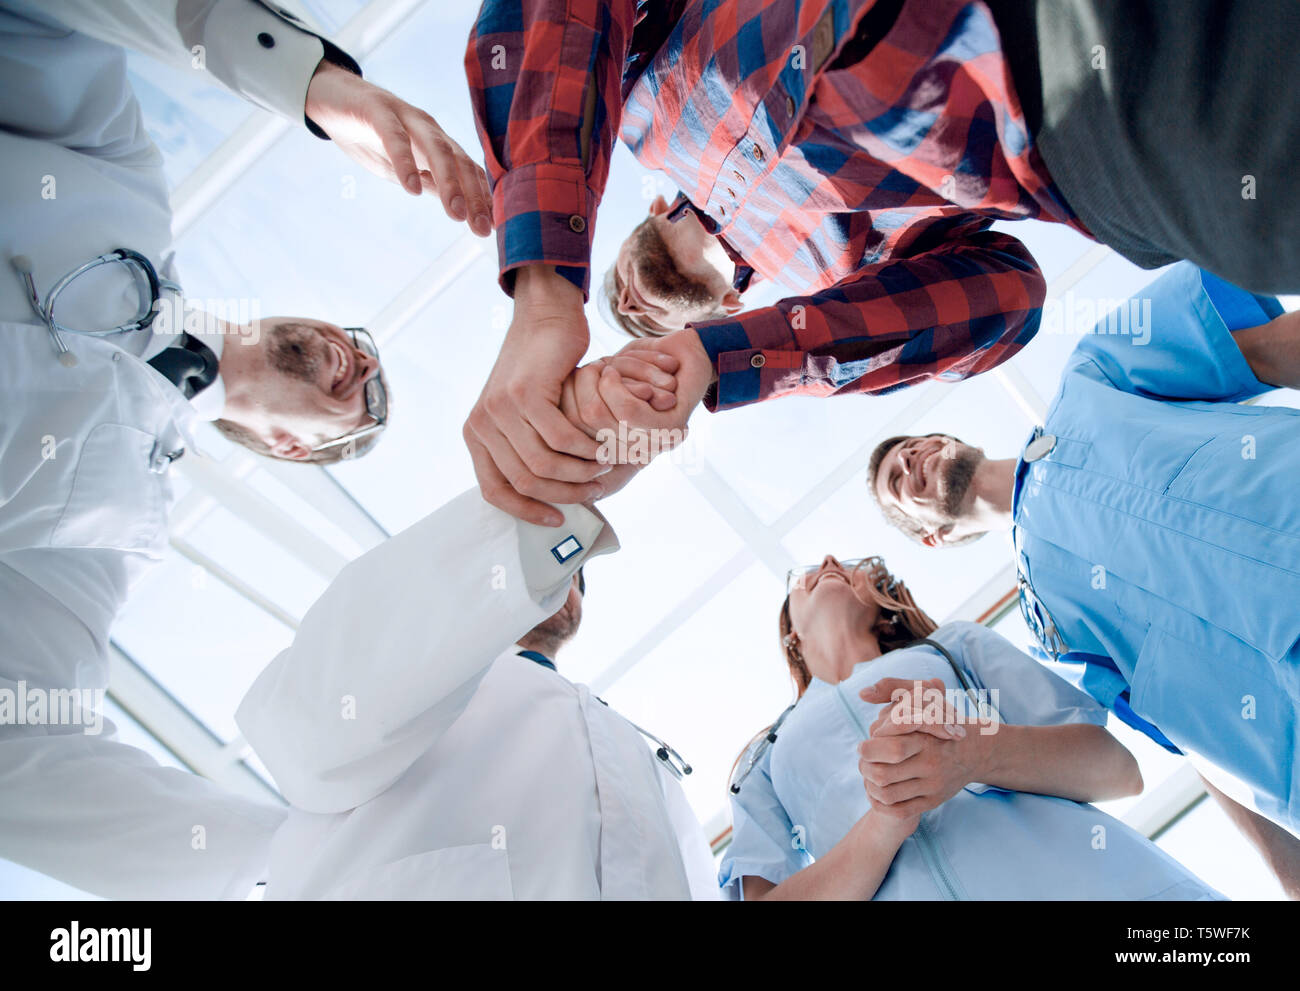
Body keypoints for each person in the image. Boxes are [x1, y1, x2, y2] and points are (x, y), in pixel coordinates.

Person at [461, 0, 1300, 526]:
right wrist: (710, 362)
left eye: (624, 293)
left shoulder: (640, 96)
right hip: (1076, 116)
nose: (640, 313)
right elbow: (1007, 295)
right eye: (649, 327)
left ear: (644, 214)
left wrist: (544, 294)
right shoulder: (844, 285)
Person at [0, 0, 491, 898]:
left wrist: (303, 864)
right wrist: (313, 84)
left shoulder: (109, 542)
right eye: (361, 341)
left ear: (289, 449)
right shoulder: (123, 185)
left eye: (366, 400)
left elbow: (20, 754)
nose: (360, 357)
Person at [867, 262, 1300, 896]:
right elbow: (1190, 737)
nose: (908, 461)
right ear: (936, 537)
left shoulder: (1091, 378)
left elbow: (1265, 350)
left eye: (911, 446)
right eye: (896, 485)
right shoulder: (1052, 626)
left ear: (948, 437)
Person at [236, 489, 718, 899]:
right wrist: (549, 522)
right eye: (563, 570)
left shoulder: (631, 746)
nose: (567, 584)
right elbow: (310, 736)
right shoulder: (420, 667)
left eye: (576, 580)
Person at [721, 554, 1221, 900]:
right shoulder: (764, 760)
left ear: (881, 606)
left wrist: (974, 751)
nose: (830, 560)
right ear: (791, 632)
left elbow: (1115, 770)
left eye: (848, 565)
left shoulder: (952, 649)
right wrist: (884, 824)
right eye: (809, 572)